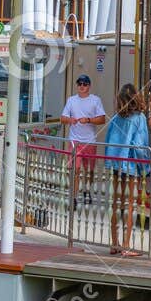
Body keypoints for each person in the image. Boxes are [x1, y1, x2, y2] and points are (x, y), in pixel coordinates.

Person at [103, 83, 149, 256]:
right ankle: (126, 245)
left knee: (115, 202)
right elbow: (139, 146)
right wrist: (145, 165)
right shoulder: (139, 118)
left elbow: (108, 140)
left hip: (115, 163)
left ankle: (114, 243)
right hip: (130, 164)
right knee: (130, 204)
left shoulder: (116, 117)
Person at [59, 74, 107, 205]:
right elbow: (62, 118)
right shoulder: (71, 100)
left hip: (90, 141)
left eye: (84, 84)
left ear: (89, 86)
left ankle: (87, 191)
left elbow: (102, 119)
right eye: (79, 83)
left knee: (89, 170)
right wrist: (70, 120)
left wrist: (89, 120)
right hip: (75, 141)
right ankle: (73, 197)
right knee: (75, 170)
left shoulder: (95, 100)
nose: (82, 86)